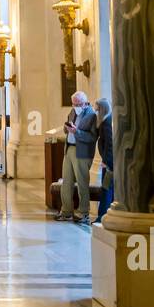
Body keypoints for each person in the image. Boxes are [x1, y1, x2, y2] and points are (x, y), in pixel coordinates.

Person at [57, 90, 97, 225]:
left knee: (82, 183)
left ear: (85, 103)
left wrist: (76, 132)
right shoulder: (73, 111)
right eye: (73, 104)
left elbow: (92, 137)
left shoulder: (92, 115)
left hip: (82, 152)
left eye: (78, 104)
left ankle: (83, 212)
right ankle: (66, 211)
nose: (75, 106)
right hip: (69, 149)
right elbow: (67, 126)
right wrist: (66, 128)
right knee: (66, 182)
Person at [93, 97, 114, 223]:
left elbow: (110, 145)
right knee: (109, 189)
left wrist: (106, 161)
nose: (95, 112)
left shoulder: (107, 124)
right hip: (108, 162)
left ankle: (102, 217)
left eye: (97, 109)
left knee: (106, 189)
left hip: (109, 164)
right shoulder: (106, 121)